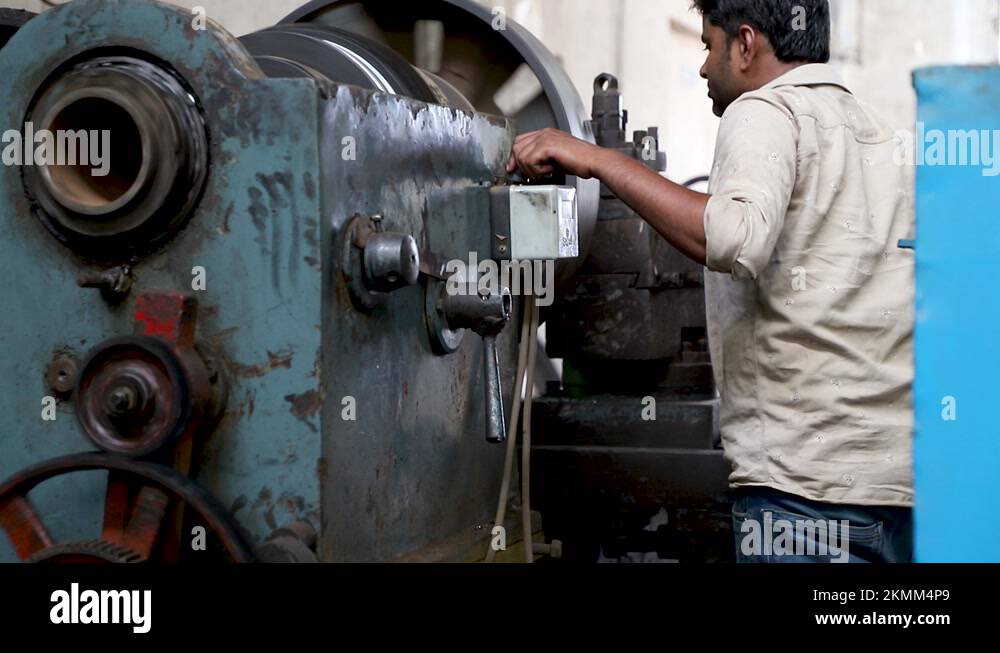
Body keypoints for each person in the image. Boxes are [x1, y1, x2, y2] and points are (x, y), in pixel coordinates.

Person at [506, 0, 914, 563]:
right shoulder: (881, 134)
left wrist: (599, 161)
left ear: (745, 45)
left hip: (802, 497)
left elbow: (735, 237)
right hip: (899, 491)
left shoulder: (765, 110)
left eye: (707, 45)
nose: (702, 66)